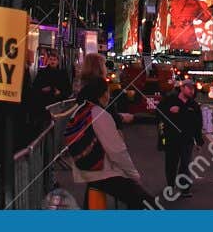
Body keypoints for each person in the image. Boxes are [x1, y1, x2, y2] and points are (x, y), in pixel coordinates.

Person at [63, 77, 154, 208]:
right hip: (103, 172)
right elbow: (117, 151)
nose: (109, 96)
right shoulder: (100, 114)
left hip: (84, 169)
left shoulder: (80, 111)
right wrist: (133, 174)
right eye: (107, 92)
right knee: (146, 203)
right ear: (102, 94)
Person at [156, 79, 203, 197]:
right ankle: (170, 186)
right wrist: (169, 112)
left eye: (193, 88)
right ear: (182, 88)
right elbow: (158, 114)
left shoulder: (194, 105)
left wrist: (199, 141)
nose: (191, 90)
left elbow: (197, 124)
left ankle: (185, 188)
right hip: (172, 138)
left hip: (187, 140)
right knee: (171, 164)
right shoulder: (170, 100)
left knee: (185, 164)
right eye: (189, 88)